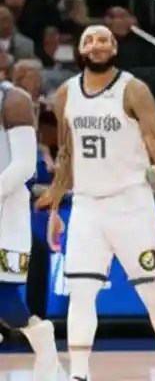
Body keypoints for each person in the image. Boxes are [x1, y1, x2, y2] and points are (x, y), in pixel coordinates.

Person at [42, 26, 155, 381]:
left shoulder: (133, 89)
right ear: (80, 50)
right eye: (90, 40)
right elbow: (66, 154)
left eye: (104, 39)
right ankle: (79, 374)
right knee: (81, 292)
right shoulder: (65, 94)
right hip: (87, 206)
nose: (97, 45)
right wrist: (55, 210)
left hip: (131, 203)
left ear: (115, 47)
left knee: (150, 289)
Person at [0, 77, 61, 380]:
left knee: (6, 300)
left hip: (7, 217)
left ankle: (46, 350)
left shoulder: (14, 100)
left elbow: (25, 165)